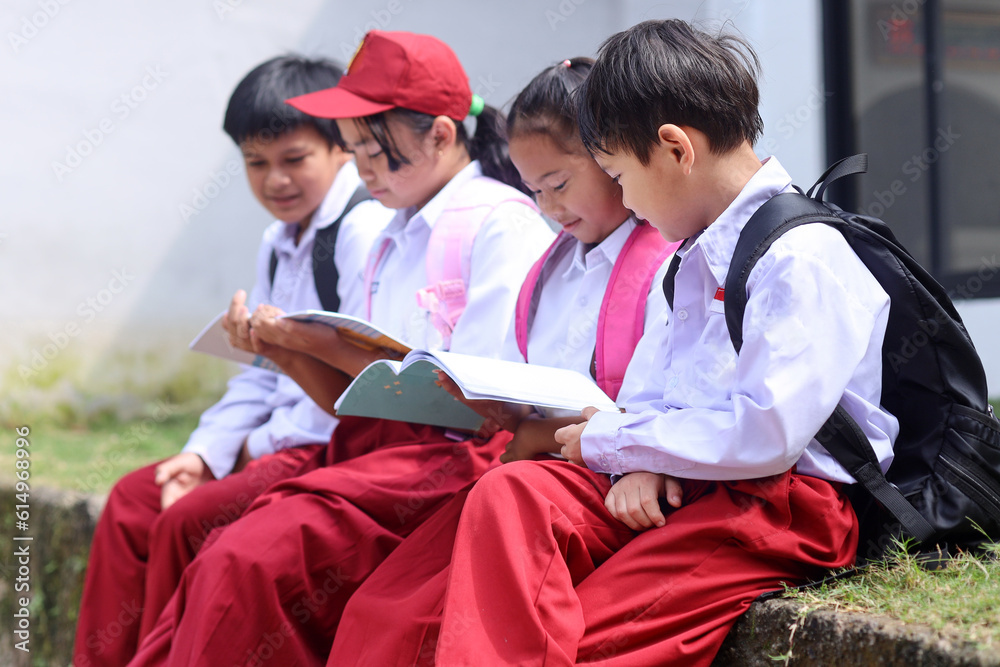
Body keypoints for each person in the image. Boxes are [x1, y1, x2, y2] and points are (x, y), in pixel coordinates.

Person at [384, 20, 899, 666]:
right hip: (692, 475)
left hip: (778, 505)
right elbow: (653, 391)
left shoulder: (801, 256)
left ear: (675, 149)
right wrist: (643, 457)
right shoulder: (692, 256)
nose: (624, 199)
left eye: (619, 175)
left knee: (592, 642)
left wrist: (629, 445)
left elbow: (767, 433)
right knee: (509, 494)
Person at [127, 30, 553, 667]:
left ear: (441, 134)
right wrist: (286, 349)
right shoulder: (389, 232)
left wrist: (314, 342)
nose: (363, 169)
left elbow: (478, 405)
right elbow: (352, 402)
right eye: (354, 150)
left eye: (375, 151)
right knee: (225, 554)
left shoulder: (499, 221)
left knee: (244, 561)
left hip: (452, 464)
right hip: (372, 452)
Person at [326, 55, 683, 666]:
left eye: (559, 185)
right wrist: (493, 406)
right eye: (534, 190)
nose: (548, 207)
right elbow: (522, 377)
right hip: (530, 466)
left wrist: (542, 434)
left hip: (600, 480)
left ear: (612, 158)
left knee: (439, 622)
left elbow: (665, 403)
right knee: (383, 606)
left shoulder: (669, 260)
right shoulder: (550, 269)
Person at [72, 55, 394, 667]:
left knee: (184, 522)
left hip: (325, 446)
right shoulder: (279, 242)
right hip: (272, 440)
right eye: (256, 163)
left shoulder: (363, 233)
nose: (276, 180)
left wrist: (250, 448)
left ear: (341, 148)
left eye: (294, 159)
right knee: (134, 501)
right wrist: (203, 453)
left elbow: (356, 387)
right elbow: (258, 376)